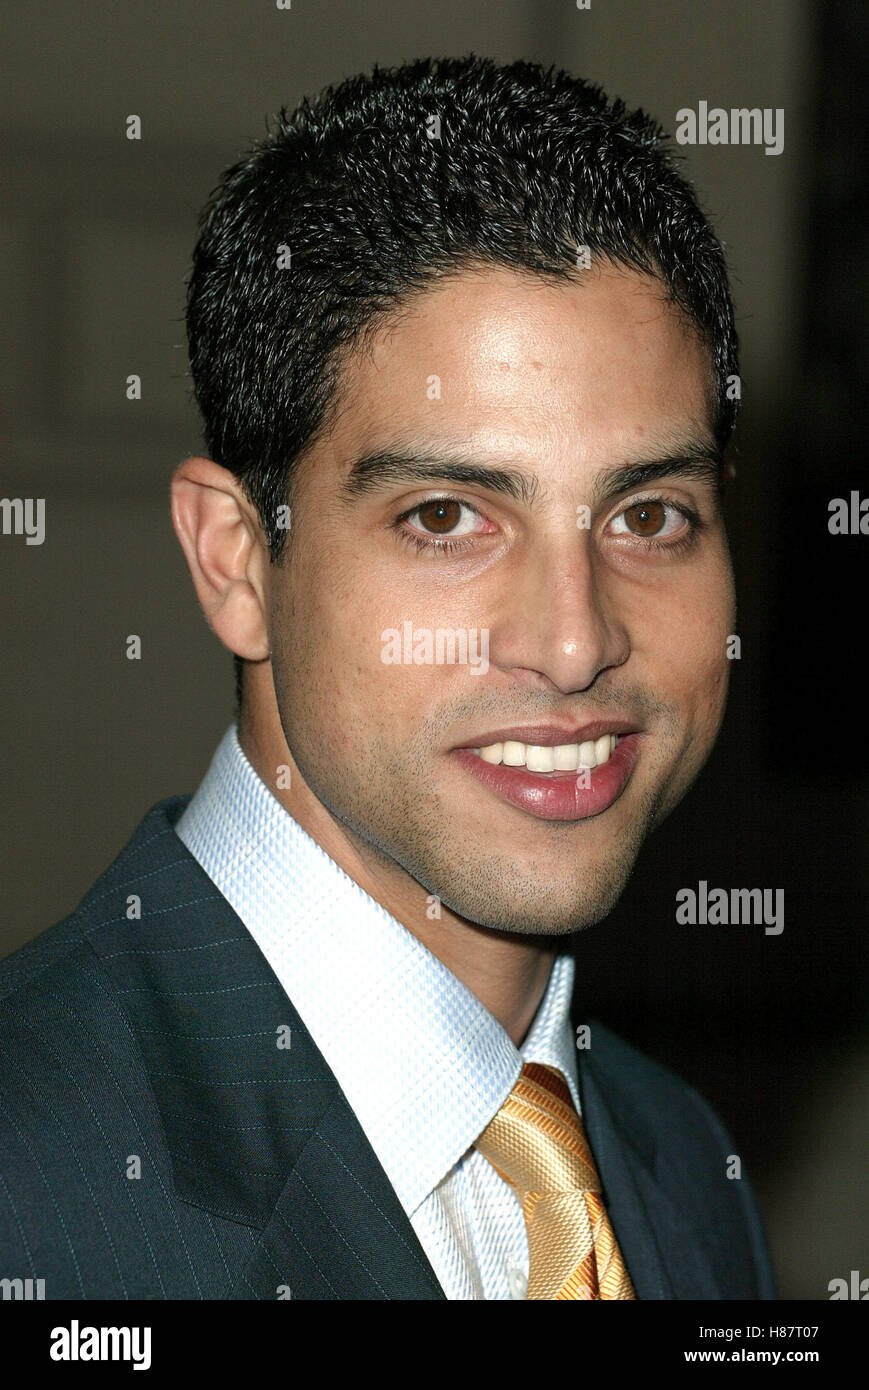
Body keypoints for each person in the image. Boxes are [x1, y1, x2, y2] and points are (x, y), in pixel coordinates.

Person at [0, 55, 775, 1300]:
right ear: (239, 559)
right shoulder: (32, 1188)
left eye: (647, 516)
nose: (574, 643)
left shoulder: (678, 1161)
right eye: (443, 518)